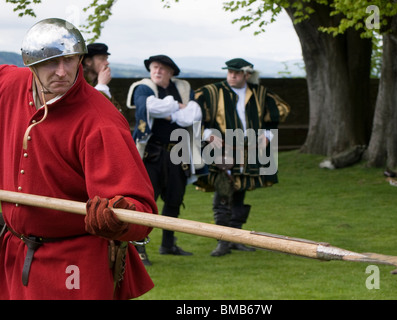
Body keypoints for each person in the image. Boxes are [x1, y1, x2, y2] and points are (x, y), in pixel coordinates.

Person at [0, 18, 158, 300]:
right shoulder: (10, 85)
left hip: (75, 260)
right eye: (51, 61)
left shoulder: (101, 122)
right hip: (16, 250)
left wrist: (117, 215)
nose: (62, 72)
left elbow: (141, 212)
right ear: (31, 63)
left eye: (70, 60)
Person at [195, 58, 290, 257]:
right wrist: (207, 134)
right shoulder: (212, 92)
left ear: (247, 74)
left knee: (240, 191)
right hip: (223, 148)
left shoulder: (260, 93)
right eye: (230, 72)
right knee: (223, 192)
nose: (232, 75)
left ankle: (237, 239)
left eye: (237, 73)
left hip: (249, 149)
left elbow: (279, 111)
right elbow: (193, 114)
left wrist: (268, 134)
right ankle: (223, 241)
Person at [126, 55, 202, 261]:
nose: (157, 71)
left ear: (171, 72)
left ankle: (168, 245)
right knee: (146, 202)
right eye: (154, 67)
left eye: (162, 68)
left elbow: (194, 114)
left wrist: (169, 110)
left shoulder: (183, 88)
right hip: (152, 153)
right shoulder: (144, 87)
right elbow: (148, 107)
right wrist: (178, 107)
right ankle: (139, 249)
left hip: (178, 152)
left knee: (174, 200)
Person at [82, 42, 123, 113]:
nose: (107, 62)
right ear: (88, 61)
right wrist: (102, 85)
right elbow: (89, 109)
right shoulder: (79, 83)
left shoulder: (97, 81)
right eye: (102, 59)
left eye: (106, 58)